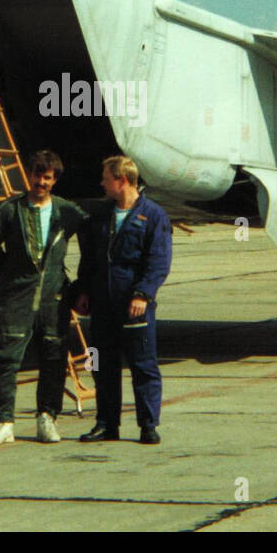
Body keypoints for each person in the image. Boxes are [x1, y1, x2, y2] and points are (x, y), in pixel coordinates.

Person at [0, 150, 88, 444]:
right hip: (16, 299)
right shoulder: (10, 210)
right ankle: (4, 422)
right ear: (29, 175)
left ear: (54, 180)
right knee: (5, 359)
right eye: (37, 175)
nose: (41, 182)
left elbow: (92, 235)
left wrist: (80, 286)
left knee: (53, 359)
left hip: (53, 299)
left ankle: (47, 418)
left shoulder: (66, 211)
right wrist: (12, 273)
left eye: (47, 177)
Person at [73, 155, 172, 444]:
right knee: (103, 367)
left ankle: (148, 426)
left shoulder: (153, 216)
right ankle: (106, 424)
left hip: (134, 305)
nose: (101, 183)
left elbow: (159, 261)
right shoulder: (100, 216)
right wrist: (83, 290)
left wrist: (143, 293)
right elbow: (89, 259)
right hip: (103, 303)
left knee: (143, 366)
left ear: (122, 180)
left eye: (106, 178)